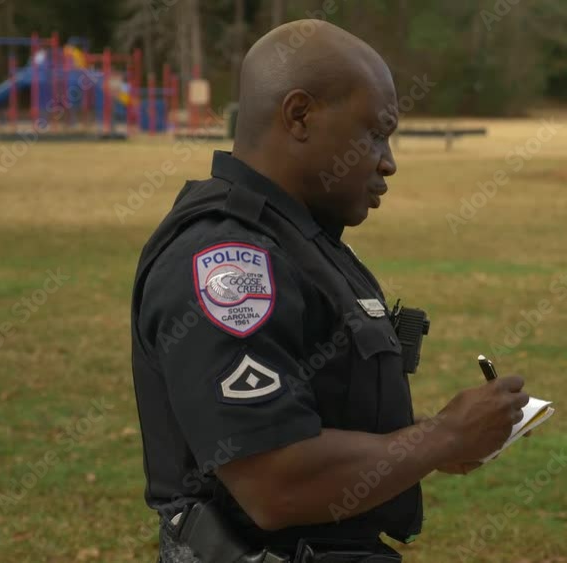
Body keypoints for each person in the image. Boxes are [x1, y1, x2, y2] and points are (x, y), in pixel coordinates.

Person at [130, 20, 529, 562]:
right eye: (374, 133)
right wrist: (441, 437)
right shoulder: (229, 261)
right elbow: (273, 481)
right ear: (299, 115)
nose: (388, 161)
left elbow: (313, 416)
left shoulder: (299, 242)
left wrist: (427, 445)